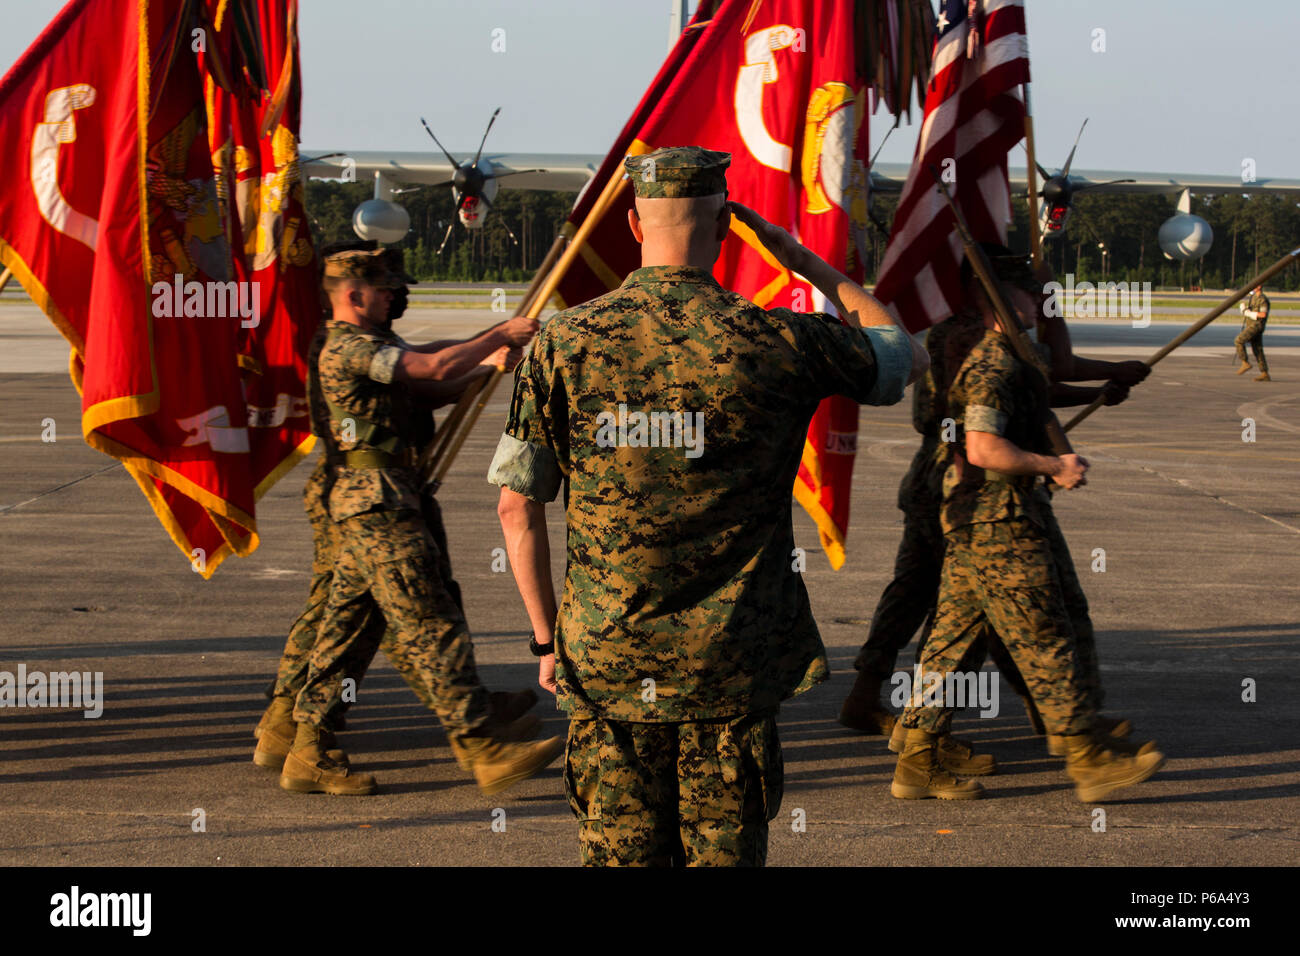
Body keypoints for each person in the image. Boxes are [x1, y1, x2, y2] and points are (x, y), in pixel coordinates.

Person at [489, 146, 926, 865]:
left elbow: (516, 507)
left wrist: (547, 641)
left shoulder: (563, 342)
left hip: (607, 657)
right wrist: (802, 259)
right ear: (726, 226)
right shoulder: (780, 338)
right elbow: (901, 356)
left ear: (633, 223)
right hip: (731, 664)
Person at [277, 248, 563, 796]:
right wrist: (498, 333)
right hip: (375, 502)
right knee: (430, 623)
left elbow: (431, 375)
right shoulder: (347, 345)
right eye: (384, 289)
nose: (393, 297)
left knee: (347, 629)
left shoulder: (373, 345)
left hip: (383, 497)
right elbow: (430, 368)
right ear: (352, 295)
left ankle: (305, 745)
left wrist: (485, 362)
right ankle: (481, 745)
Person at [841, 252, 1150, 759]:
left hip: (977, 480)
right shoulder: (964, 336)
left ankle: (1052, 719)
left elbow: (1043, 377)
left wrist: (1104, 378)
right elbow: (1040, 381)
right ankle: (874, 698)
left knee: (979, 608)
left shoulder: (999, 338)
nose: (1038, 297)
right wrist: (1097, 375)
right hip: (956, 477)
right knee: (940, 597)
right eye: (1028, 289)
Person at [1234, 284, 1270, 381]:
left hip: (1256, 326)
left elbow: (1263, 314)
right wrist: (1245, 310)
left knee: (1239, 340)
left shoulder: (1262, 299)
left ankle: (1245, 362)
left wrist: (1248, 313)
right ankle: (1264, 373)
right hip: (1251, 325)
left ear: (1259, 286)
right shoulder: (1253, 297)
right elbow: (1251, 311)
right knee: (1257, 350)